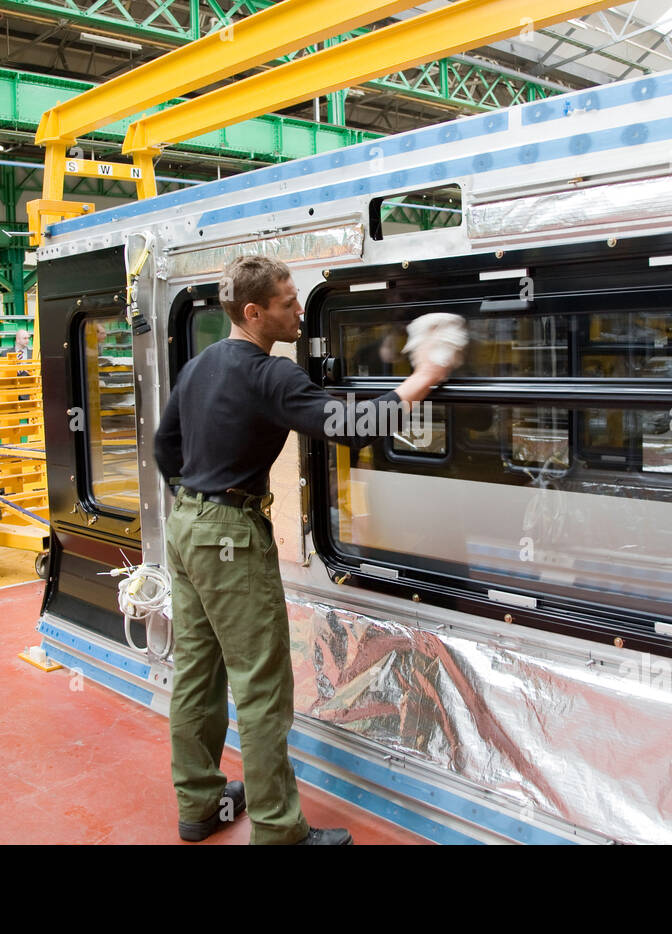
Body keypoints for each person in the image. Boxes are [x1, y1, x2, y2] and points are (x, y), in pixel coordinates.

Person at [154, 255, 454, 845]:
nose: (298, 311)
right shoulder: (271, 375)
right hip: (228, 538)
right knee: (261, 685)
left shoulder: (201, 366)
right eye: (289, 303)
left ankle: (200, 801)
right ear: (253, 311)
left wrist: (197, 498)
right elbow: (350, 423)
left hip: (185, 525)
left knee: (196, 669)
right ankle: (279, 832)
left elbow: (167, 447)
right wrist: (425, 375)